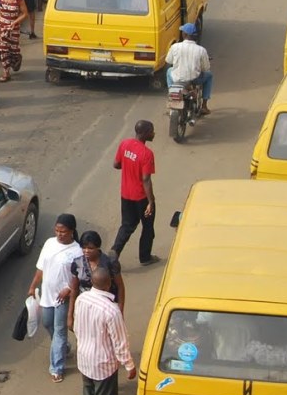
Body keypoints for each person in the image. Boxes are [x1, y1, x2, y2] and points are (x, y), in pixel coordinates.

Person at [27, 213, 83, 383]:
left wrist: (69, 290)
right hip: (47, 294)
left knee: (59, 331)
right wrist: (33, 286)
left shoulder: (77, 252)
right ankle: (64, 347)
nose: (59, 234)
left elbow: (80, 277)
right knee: (47, 323)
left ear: (72, 231)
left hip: (63, 298)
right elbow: (41, 268)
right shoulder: (49, 243)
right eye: (57, 230)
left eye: (63, 231)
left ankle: (56, 367)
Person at [73, 268, 136, 395]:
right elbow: (120, 342)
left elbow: (77, 327)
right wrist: (129, 365)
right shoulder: (112, 310)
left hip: (84, 359)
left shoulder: (81, 299)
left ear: (92, 282)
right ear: (109, 284)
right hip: (104, 366)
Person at [110, 121, 158, 267]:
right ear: (145, 133)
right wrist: (151, 202)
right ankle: (145, 257)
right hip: (141, 197)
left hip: (126, 195)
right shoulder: (147, 154)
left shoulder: (125, 144)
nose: (154, 133)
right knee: (148, 227)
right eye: (152, 131)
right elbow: (146, 179)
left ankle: (115, 251)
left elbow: (116, 164)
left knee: (127, 225)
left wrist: (129, 166)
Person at [68, 231, 125, 316]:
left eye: (90, 248)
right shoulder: (77, 263)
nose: (86, 251)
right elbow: (74, 289)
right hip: (85, 307)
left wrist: (120, 310)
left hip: (106, 308)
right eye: (84, 248)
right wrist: (70, 315)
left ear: (98, 247)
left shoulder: (110, 262)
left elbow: (120, 286)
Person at [166, 23, 213, 114]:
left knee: (169, 71)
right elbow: (206, 68)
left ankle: (172, 93)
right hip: (194, 79)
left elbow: (168, 60)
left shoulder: (175, 47)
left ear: (184, 34)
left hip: (177, 78)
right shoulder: (201, 50)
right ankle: (204, 106)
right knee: (209, 75)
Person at [0, 0, 25, 81]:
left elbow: (25, 14)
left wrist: (15, 22)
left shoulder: (20, 0)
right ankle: (6, 72)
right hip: (2, 28)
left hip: (14, 29)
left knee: (13, 50)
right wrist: (0, 20)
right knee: (2, 49)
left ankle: (16, 58)